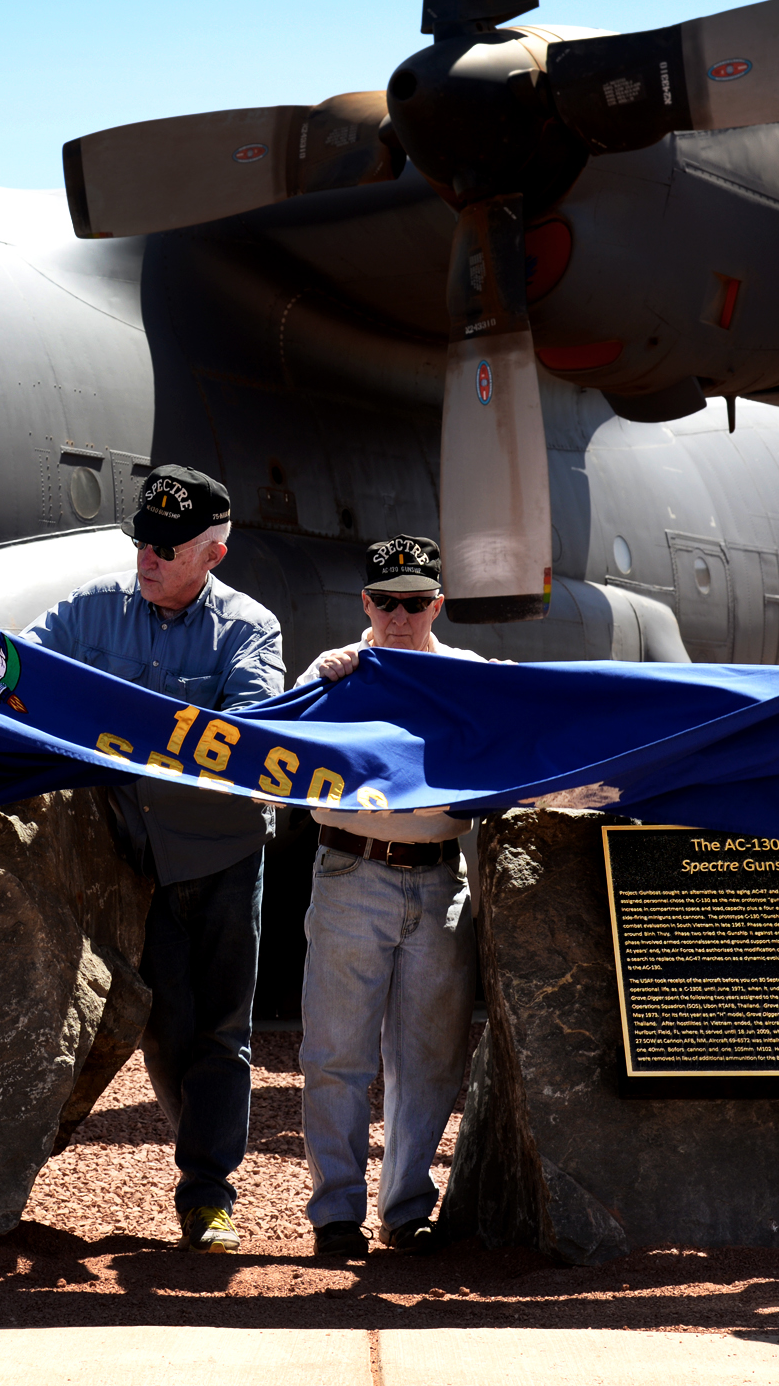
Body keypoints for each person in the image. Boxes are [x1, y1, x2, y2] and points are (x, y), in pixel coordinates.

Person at [22, 465, 283, 1253]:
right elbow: (14, 670)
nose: (148, 558)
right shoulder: (90, 611)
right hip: (135, 862)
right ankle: (200, 1156)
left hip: (222, 855)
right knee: (165, 1035)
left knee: (223, 1032)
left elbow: (249, 731)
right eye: (142, 541)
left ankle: (207, 1196)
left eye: (167, 549)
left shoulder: (249, 630)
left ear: (214, 555)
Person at [294, 536, 485, 1258]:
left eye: (414, 602)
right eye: (385, 602)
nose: (398, 617)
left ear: (438, 605)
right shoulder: (333, 674)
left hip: (440, 881)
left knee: (429, 1059)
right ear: (365, 603)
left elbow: (536, 718)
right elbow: (279, 741)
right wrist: (327, 683)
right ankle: (336, 1213)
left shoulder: (470, 675)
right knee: (335, 1053)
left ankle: (406, 1209)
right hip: (352, 872)